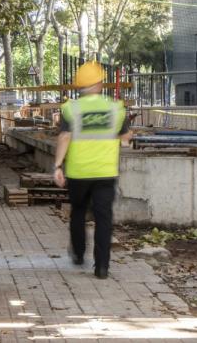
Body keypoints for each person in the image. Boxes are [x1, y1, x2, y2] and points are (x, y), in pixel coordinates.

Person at [52, 61, 132, 278]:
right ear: (100, 83)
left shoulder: (71, 108)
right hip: (106, 172)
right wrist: (122, 139)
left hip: (78, 173)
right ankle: (102, 267)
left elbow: (65, 137)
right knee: (103, 218)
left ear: (80, 85)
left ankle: (79, 254)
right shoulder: (115, 108)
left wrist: (58, 165)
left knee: (78, 212)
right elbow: (126, 137)